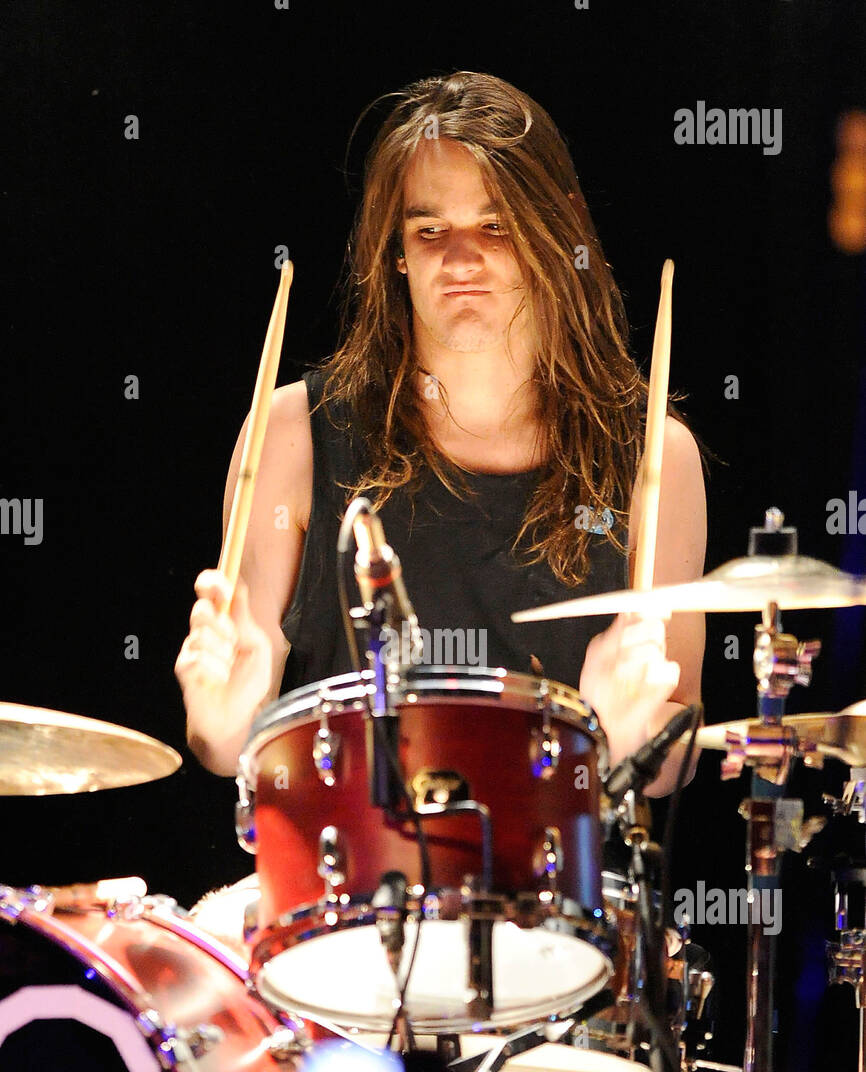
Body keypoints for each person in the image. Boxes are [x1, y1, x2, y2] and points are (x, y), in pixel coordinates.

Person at [176, 70, 706, 796]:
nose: (461, 259)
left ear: (558, 232)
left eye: (495, 226)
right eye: (430, 231)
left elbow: (672, 761)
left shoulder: (653, 457)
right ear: (395, 250)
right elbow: (232, 734)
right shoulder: (292, 433)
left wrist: (621, 732)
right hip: (353, 890)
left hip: (551, 892)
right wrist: (220, 719)